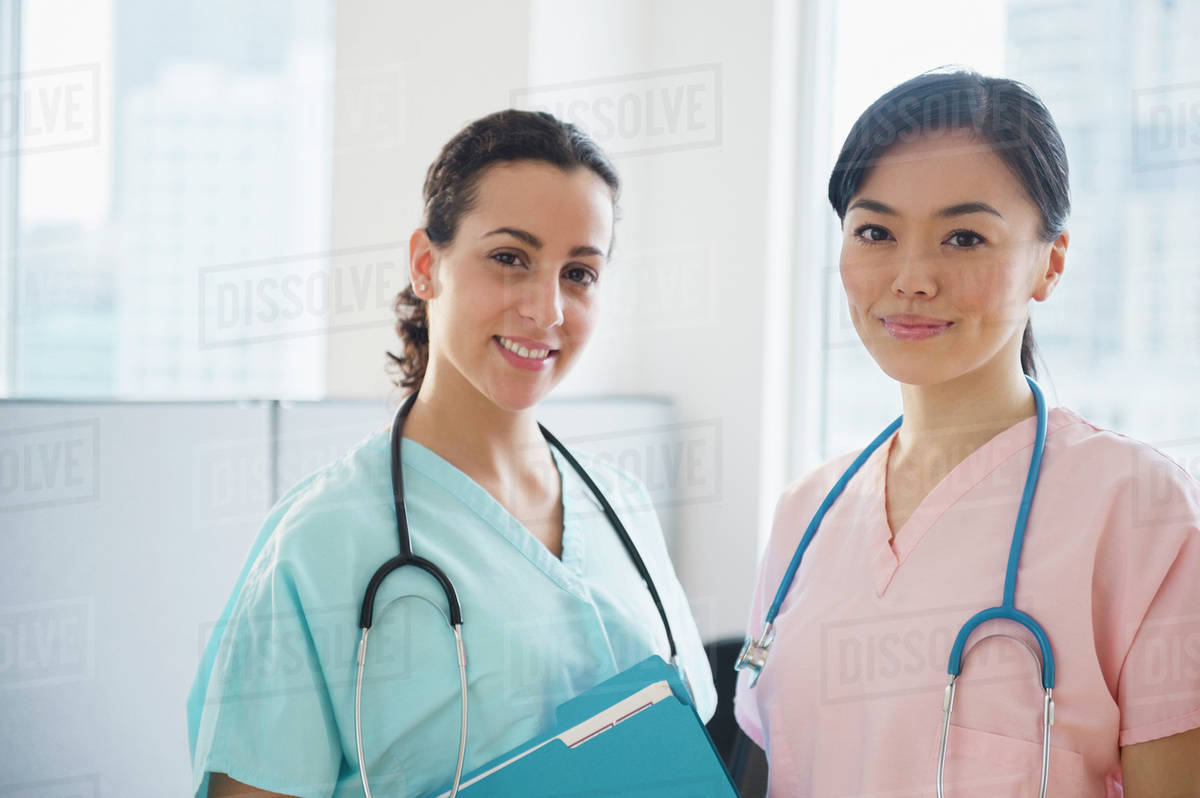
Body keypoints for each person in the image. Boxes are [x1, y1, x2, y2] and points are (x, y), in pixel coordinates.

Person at [188, 109, 717, 798]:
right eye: (510, 258)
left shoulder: (625, 507)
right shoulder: (320, 542)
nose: (547, 309)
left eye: (579, 273)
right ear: (425, 265)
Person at [733, 69, 1200, 796]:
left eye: (963, 236)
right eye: (876, 231)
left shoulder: (1139, 507)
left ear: (1051, 263)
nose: (913, 277)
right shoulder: (805, 514)